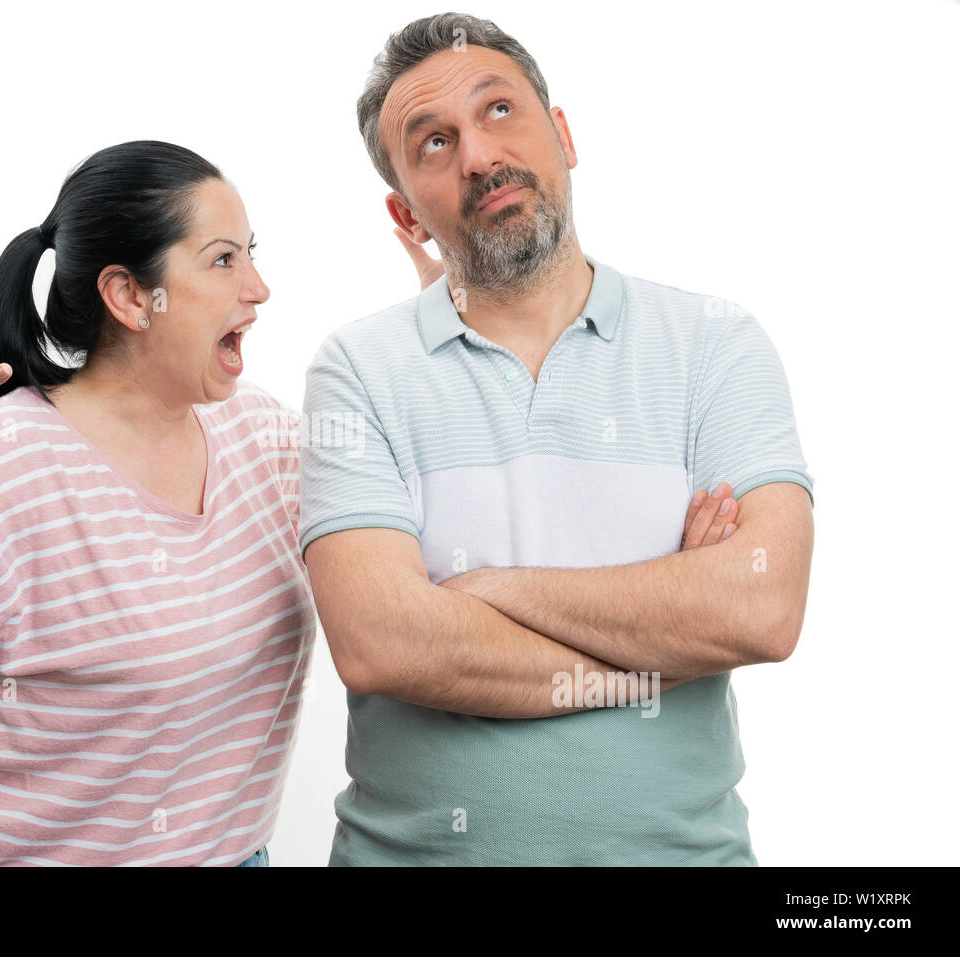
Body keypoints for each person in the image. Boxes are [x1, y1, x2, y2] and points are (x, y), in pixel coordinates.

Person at [299, 13, 816, 865]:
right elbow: (382, 643)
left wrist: (481, 589)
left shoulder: (714, 341)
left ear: (564, 135)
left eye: (499, 110)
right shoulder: (357, 369)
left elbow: (760, 607)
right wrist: (666, 636)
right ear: (406, 211)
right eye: (433, 142)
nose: (477, 155)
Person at [0, 141, 315, 866]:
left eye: (250, 253)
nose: (258, 287)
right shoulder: (5, 463)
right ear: (131, 296)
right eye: (224, 259)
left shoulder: (267, 437)